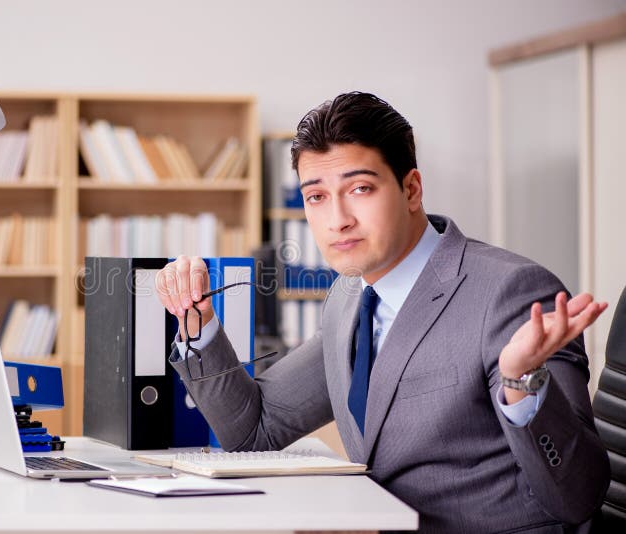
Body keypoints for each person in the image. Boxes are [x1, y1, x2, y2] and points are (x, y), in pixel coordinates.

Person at [155, 91, 610, 533]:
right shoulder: (349, 297)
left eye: (360, 189)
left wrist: (520, 383)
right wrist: (198, 322)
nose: (338, 220)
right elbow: (254, 431)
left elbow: (577, 498)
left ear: (411, 189)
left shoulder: (511, 293)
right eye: (317, 197)